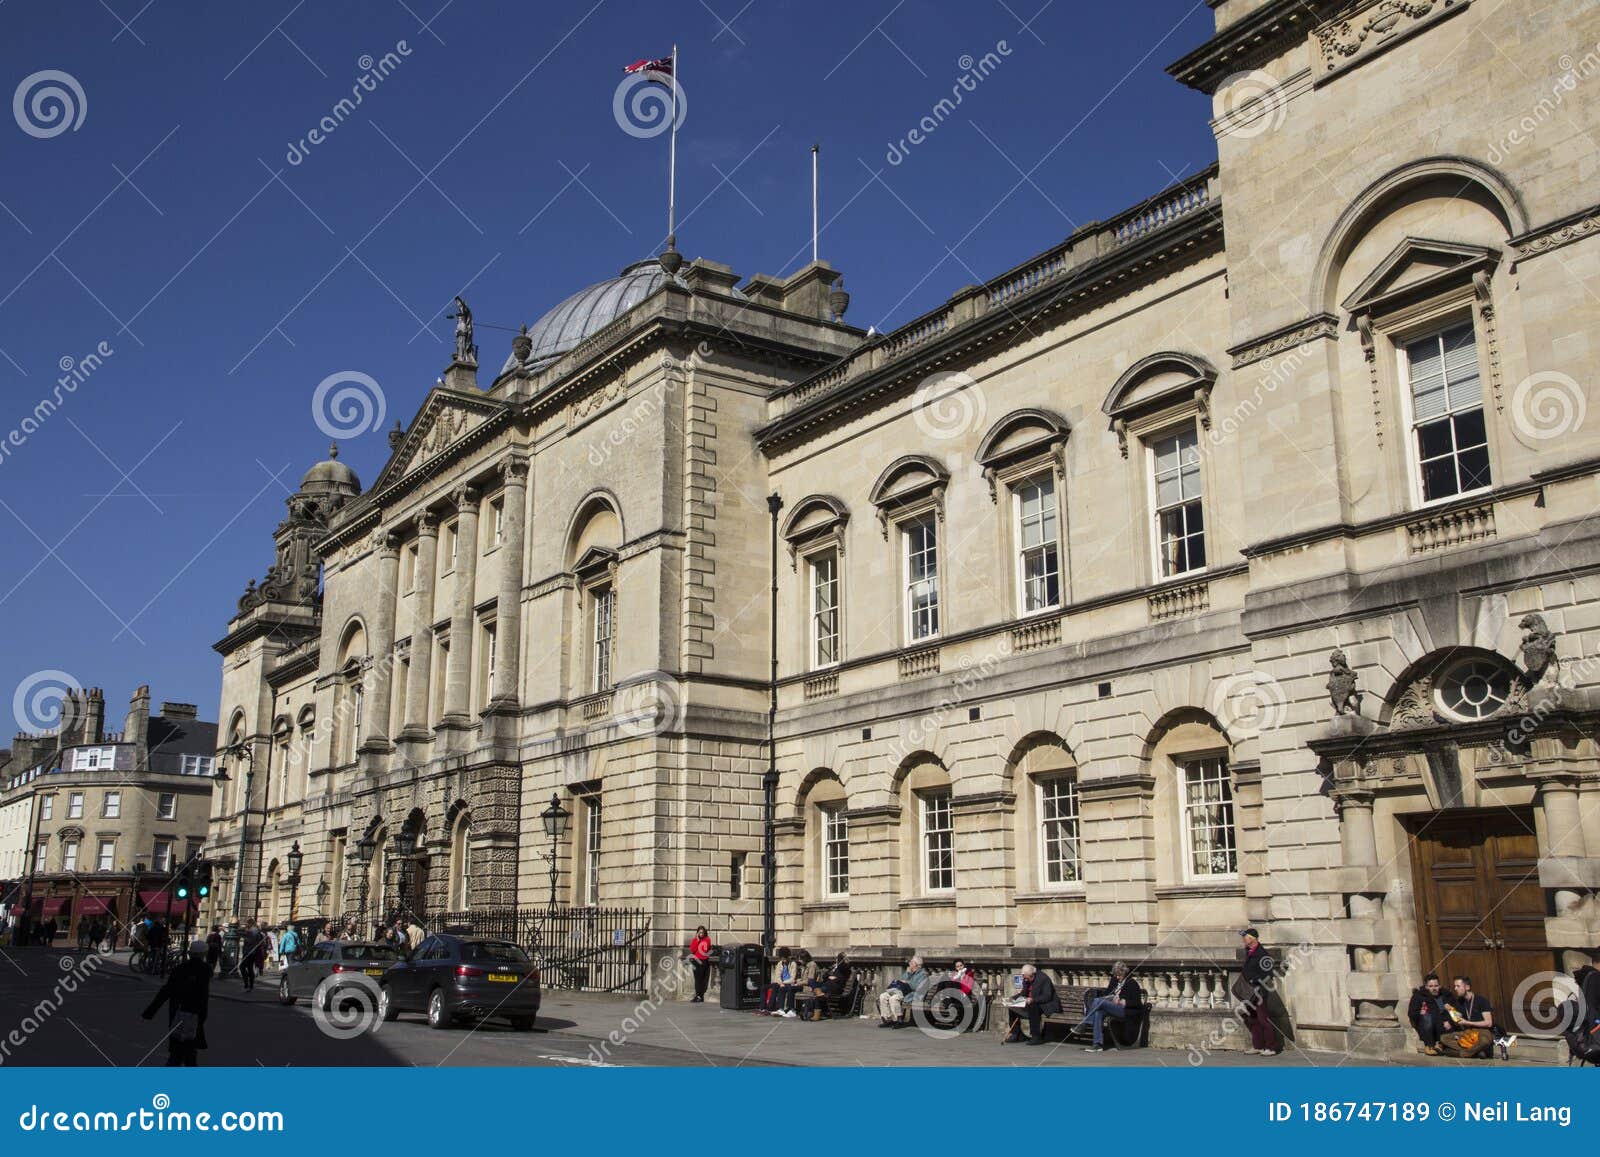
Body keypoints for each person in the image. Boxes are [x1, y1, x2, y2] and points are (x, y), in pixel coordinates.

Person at [141, 939, 211, 1067]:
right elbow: (202, 998)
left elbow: (166, 991)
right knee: (189, 1052)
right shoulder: (205, 970)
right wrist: (202, 1017)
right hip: (194, 1015)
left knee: (177, 1050)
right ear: (203, 954)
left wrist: (150, 1011)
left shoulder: (180, 969)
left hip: (177, 1012)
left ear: (190, 953)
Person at [1076, 960, 1144, 1052]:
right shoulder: (1114, 980)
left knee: (1097, 1001)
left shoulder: (1132, 983)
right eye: (1115, 974)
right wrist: (1110, 998)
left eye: (1119, 975)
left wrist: (1125, 1002)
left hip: (1124, 1010)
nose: (1117, 977)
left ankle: (1085, 1023)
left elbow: (1138, 1003)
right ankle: (1097, 1044)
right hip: (1112, 1006)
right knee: (1098, 1012)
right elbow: (1108, 993)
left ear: (1124, 972)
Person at [1441, 975, 1509, 1058]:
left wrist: (1467, 1022)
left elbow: (1488, 1023)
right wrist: (1450, 1010)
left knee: (1484, 1040)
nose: (1455, 989)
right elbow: (1458, 1018)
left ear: (1467, 987)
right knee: (1444, 1038)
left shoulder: (1481, 1000)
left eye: (1458, 986)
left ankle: (1463, 1053)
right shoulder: (1459, 1001)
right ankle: (1476, 1052)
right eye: (1455, 986)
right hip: (1468, 1033)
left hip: (1483, 1032)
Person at [1237, 928, 1279, 1056]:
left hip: (1259, 992)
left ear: (1252, 938)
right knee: (1253, 1019)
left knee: (1263, 1019)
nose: (1243, 939)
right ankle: (1258, 1046)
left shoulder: (1262, 954)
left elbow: (1268, 975)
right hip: (1250, 992)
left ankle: (1271, 1047)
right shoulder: (1249, 952)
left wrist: (1252, 979)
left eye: (1245, 936)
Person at [1002, 963, 1060, 1045]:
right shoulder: (1026, 978)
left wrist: (1033, 1000)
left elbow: (1047, 996)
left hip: (1046, 1004)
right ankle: (1016, 1034)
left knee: (1033, 1007)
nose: (1025, 980)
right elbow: (1023, 993)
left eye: (1027, 978)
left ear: (1032, 974)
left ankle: (1036, 1036)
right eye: (1024, 978)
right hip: (1031, 1002)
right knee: (1012, 1007)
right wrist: (1013, 998)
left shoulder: (1043, 978)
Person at [876, 955, 929, 1027]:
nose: (909, 963)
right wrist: (907, 975)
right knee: (883, 996)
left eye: (911, 962)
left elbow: (919, 987)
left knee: (894, 998)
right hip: (901, 991)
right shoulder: (908, 972)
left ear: (916, 965)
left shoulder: (923, 975)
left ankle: (898, 1020)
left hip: (911, 994)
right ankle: (887, 1020)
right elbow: (902, 980)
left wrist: (907, 983)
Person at [802, 952, 852, 1021]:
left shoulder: (843, 968)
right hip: (826, 985)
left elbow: (842, 976)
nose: (836, 960)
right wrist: (830, 975)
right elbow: (824, 976)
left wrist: (842, 962)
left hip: (835, 987)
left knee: (818, 994)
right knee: (811, 982)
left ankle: (812, 1013)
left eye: (837, 959)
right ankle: (810, 1011)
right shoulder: (834, 967)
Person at [1407, 973, 1449, 1055]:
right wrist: (1420, 1013)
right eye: (1431, 986)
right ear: (1426, 987)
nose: (1434, 988)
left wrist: (1448, 1019)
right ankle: (1429, 1045)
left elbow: (1453, 1010)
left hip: (1443, 1023)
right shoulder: (1419, 996)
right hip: (1426, 1024)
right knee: (1427, 1017)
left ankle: (1441, 1043)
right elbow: (1412, 1013)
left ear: (1439, 986)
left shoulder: (1445, 995)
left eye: (1436, 986)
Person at [765, 947, 801, 1017]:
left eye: (784, 958)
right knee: (768, 987)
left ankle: (781, 1008)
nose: (783, 960)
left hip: (789, 983)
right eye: (782, 958)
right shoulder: (779, 964)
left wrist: (783, 983)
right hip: (781, 983)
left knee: (782, 989)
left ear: (788, 957)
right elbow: (777, 976)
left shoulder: (793, 964)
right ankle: (770, 1008)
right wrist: (781, 983)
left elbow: (793, 978)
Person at [687, 925, 713, 1002]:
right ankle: (698, 995)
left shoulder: (707, 939)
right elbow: (692, 950)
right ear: (697, 933)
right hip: (695, 961)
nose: (701, 934)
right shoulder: (695, 939)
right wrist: (697, 940)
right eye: (700, 932)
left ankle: (700, 996)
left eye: (702, 932)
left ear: (705, 933)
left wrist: (700, 942)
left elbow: (705, 950)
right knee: (697, 979)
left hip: (703, 961)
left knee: (701, 979)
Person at [239, 921, 265, 991]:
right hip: (253, 952)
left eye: (247, 924)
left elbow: (250, 941)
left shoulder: (251, 932)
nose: (246, 926)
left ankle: (247, 983)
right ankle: (250, 985)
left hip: (249, 952)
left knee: (242, 967)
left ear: (250, 924)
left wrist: (245, 937)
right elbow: (261, 943)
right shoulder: (258, 932)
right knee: (250, 968)